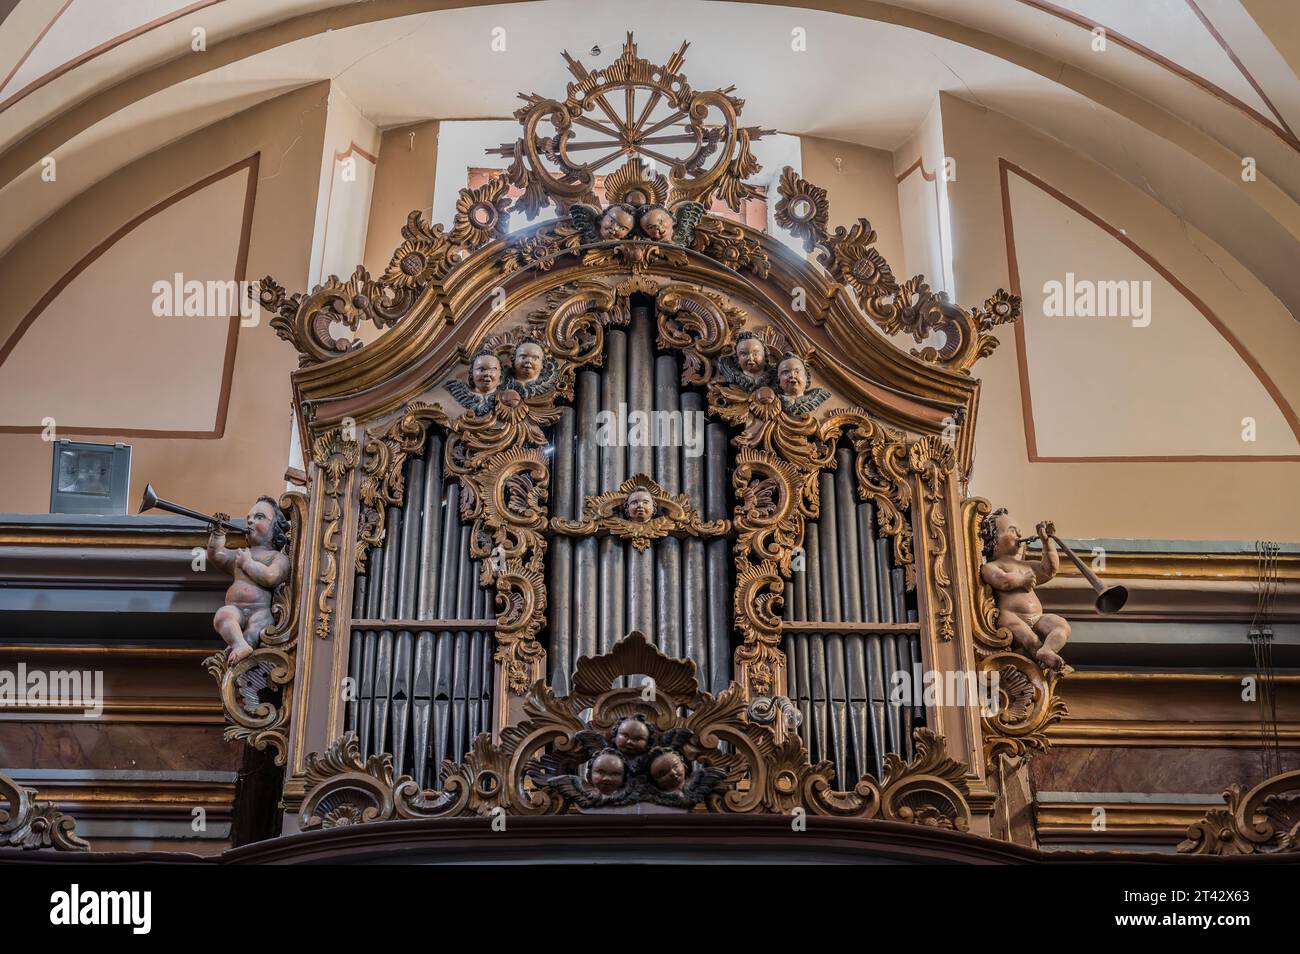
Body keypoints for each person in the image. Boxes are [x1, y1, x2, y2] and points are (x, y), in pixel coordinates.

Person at [979, 508, 1071, 672]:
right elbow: (1001, 580)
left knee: (1061, 626)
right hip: (1012, 617)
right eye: (1012, 531)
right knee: (1030, 639)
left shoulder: (1026, 565)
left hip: (1037, 618)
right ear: (993, 540)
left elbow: (1049, 570)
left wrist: (1047, 542)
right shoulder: (992, 566)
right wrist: (1021, 580)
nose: (1019, 536)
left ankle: (1047, 650)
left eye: (1019, 532)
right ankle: (1041, 662)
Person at [208, 496, 291, 664]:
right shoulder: (241, 553)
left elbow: (271, 577)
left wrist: (248, 564)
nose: (251, 521)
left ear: (275, 527)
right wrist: (217, 535)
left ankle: (243, 649)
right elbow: (217, 555)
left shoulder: (276, 557)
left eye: (259, 517)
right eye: (249, 518)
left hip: (260, 613)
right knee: (222, 616)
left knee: (252, 636)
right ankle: (239, 645)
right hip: (236, 610)